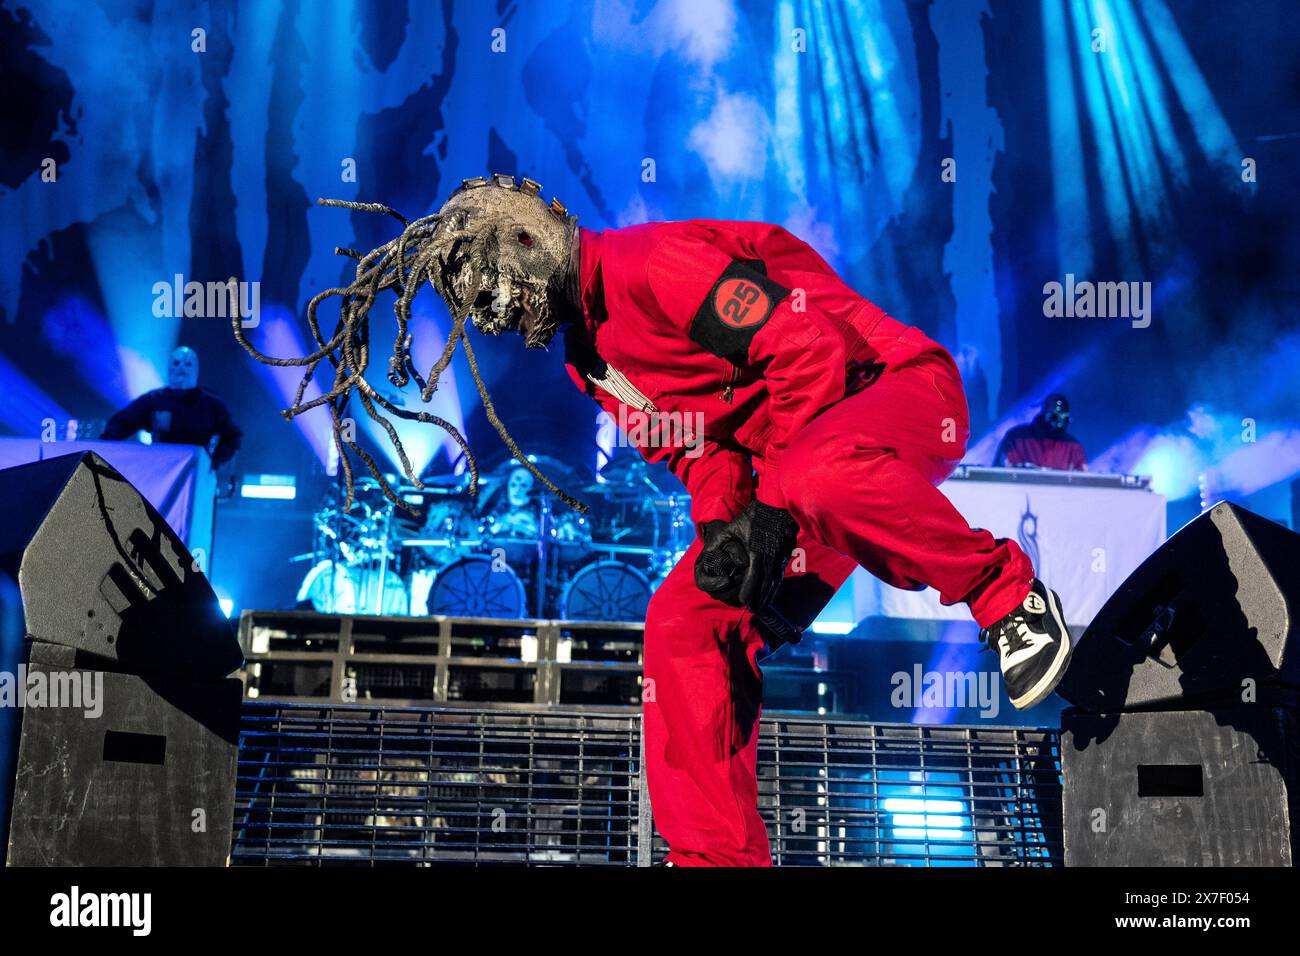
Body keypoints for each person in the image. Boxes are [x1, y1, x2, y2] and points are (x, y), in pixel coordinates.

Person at [241, 175, 1074, 867]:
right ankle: (716, 858)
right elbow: (698, 452)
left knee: (817, 476)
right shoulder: (589, 359)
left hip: (889, 396)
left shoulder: (657, 266)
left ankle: (1010, 597)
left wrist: (770, 514)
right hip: (797, 470)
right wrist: (724, 533)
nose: (494, 320)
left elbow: (810, 352)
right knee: (682, 622)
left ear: (530, 246)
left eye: (492, 295)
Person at [102, 346, 243, 467]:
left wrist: (213, 462)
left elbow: (233, 436)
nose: (181, 368)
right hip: (160, 471)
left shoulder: (211, 404)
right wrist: (103, 451)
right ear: (169, 368)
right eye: (176, 363)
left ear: (196, 369)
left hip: (195, 472)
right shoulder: (153, 400)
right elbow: (120, 423)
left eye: (188, 364)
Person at [994, 393, 1087, 471]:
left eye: (1064, 419)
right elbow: (1000, 474)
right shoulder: (1016, 438)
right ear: (1044, 413)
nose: (1059, 424)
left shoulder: (1073, 446)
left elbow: (1082, 481)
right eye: (1054, 418)